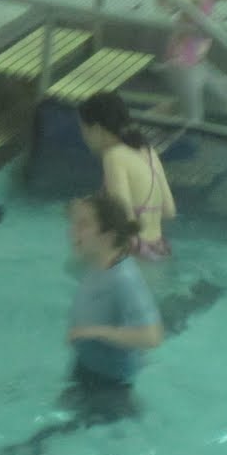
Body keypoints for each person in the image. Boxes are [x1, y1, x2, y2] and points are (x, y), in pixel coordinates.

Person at [65, 193, 164, 419]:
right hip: (87, 368)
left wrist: (92, 331)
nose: (72, 231)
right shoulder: (95, 263)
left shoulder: (124, 278)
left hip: (111, 385)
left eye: (83, 225)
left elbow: (152, 337)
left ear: (108, 236)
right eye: (74, 223)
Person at [78, 91, 177, 260]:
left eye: (83, 130)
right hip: (159, 249)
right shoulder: (148, 151)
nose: (84, 137)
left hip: (135, 254)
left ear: (96, 129)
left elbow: (122, 219)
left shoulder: (113, 157)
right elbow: (169, 211)